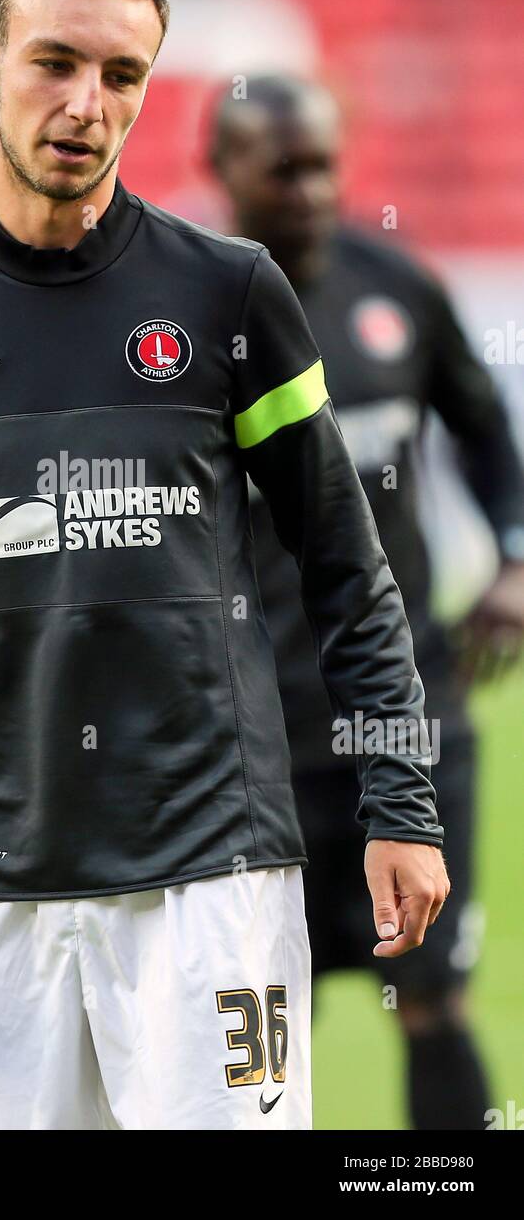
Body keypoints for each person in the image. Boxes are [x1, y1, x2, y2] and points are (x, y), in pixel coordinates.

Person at [0, 0, 448, 1132]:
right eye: (54, 64)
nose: (85, 105)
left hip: (216, 876)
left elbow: (348, 570)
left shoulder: (229, 291)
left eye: (122, 77)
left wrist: (397, 801)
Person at [207, 73, 524, 1130]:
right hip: (254, 737)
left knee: (430, 1000)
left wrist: (515, 557)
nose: (310, 189)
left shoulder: (397, 291)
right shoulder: (192, 318)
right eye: (280, 167)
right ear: (222, 172)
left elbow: (485, 430)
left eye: (323, 163)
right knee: (257, 1029)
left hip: (407, 718)